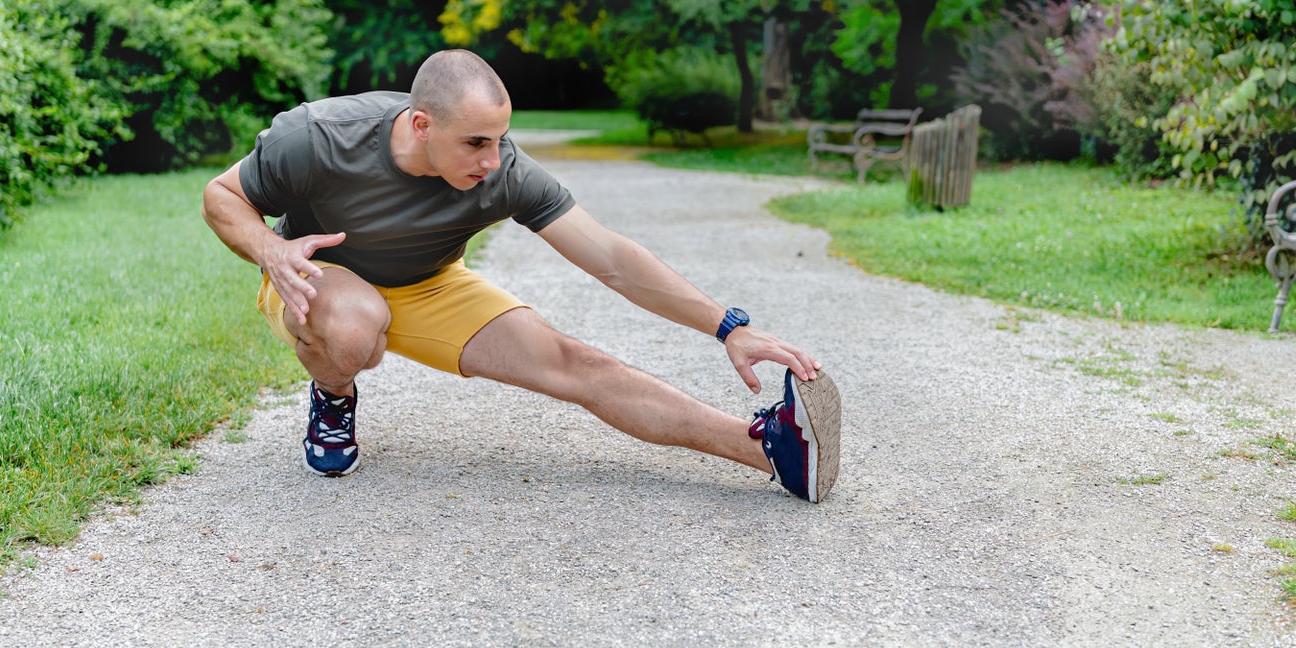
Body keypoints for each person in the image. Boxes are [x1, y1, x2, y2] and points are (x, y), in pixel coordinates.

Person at [201, 49, 841, 502]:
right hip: (322, 281)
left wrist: (729, 327)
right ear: (422, 125)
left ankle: (774, 451)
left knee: (579, 364)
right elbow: (221, 197)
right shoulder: (317, 138)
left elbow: (613, 260)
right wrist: (270, 250)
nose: (494, 159)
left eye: (501, 140)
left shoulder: (501, 170)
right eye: (476, 142)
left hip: (428, 286)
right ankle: (334, 397)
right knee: (355, 322)